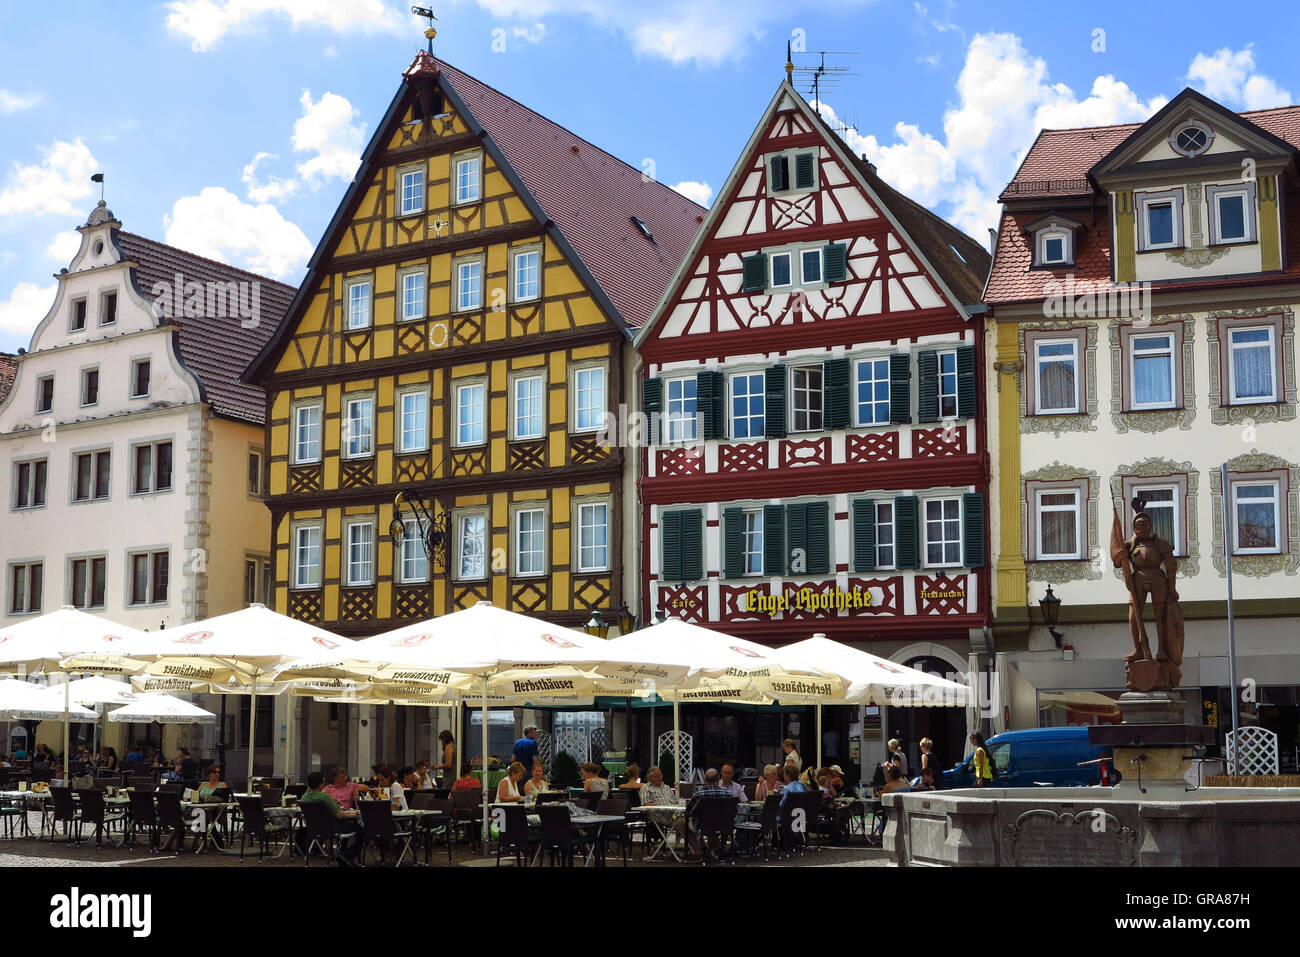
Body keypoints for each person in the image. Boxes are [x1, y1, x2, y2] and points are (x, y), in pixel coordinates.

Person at [300, 771, 362, 866]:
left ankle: (342, 855)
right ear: (320, 784)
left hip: (314, 829)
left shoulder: (304, 798)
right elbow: (340, 814)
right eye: (323, 783)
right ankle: (346, 856)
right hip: (332, 828)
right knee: (362, 830)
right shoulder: (325, 797)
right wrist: (353, 813)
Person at [685, 768, 733, 858]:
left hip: (703, 825)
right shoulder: (728, 794)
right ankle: (714, 849)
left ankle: (699, 850)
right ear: (718, 780)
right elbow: (733, 812)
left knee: (684, 824)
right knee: (715, 828)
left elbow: (689, 812)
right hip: (724, 825)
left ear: (705, 781)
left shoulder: (699, 795)